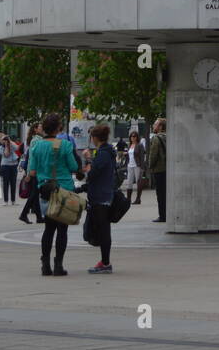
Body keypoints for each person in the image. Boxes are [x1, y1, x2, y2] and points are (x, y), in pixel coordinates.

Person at [31, 113, 79, 276]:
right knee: (62, 229)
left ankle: (45, 264)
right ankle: (58, 265)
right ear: (59, 128)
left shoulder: (36, 146)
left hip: (45, 189)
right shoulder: (65, 145)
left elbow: (32, 170)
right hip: (64, 190)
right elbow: (73, 166)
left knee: (48, 228)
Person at [83, 123, 116, 274]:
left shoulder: (102, 154)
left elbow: (93, 174)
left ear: (95, 137)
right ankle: (105, 261)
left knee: (103, 230)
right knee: (104, 230)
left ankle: (105, 262)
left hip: (100, 196)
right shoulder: (108, 152)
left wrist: (89, 160)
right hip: (105, 194)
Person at [147, 118, 168, 222]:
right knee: (167, 193)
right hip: (168, 169)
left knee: (160, 194)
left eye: (155, 124)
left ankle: (162, 216)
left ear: (160, 127)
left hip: (159, 169)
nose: (153, 126)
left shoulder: (156, 138)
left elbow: (153, 155)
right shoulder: (169, 136)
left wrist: (150, 166)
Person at [124, 131, 145, 204]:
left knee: (138, 182)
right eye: (132, 136)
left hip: (137, 166)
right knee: (129, 182)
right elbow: (129, 156)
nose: (133, 138)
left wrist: (142, 167)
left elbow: (142, 157)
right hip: (130, 165)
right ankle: (128, 199)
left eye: (134, 136)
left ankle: (138, 199)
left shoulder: (140, 145)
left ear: (137, 137)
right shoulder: (129, 145)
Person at [0, 134, 20, 205]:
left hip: (13, 166)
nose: (5, 140)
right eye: (3, 139)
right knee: (6, 183)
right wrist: (7, 145)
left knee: (13, 183)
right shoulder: (0, 148)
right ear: (1, 141)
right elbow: (6, 154)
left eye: (5, 139)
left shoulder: (11, 145)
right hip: (5, 166)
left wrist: (10, 141)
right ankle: (6, 201)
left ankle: (13, 201)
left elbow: (17, 148)